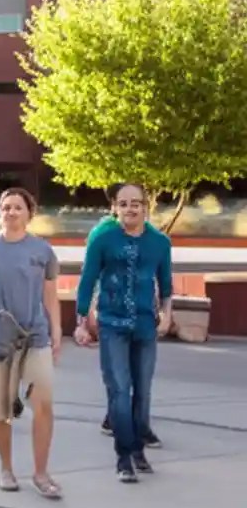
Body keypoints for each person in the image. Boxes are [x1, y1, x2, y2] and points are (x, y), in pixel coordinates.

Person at [0, 188, 63, 499]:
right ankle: (6, 468)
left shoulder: (42, 251)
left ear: (29, 213)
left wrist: (57, 329)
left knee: (43, 404)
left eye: (17, 207)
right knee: (1, 409)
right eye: (5, 207)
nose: (10, 212)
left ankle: (41, 472)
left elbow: (50, 294)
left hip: (35, 336)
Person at [74, 183, 172, 483]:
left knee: (142, 391)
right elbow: (88, 278)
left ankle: (139, 448)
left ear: (146, 207)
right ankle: (124, 456)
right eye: (124, 203)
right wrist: (81, 319)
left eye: (136, 203)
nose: (130, 208)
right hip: (112, 324)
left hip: (145, 325)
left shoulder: (159, 242)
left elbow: (165, 284)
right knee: (119, 388)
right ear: (114, 207)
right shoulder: (103, 238)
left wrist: (167, 315)